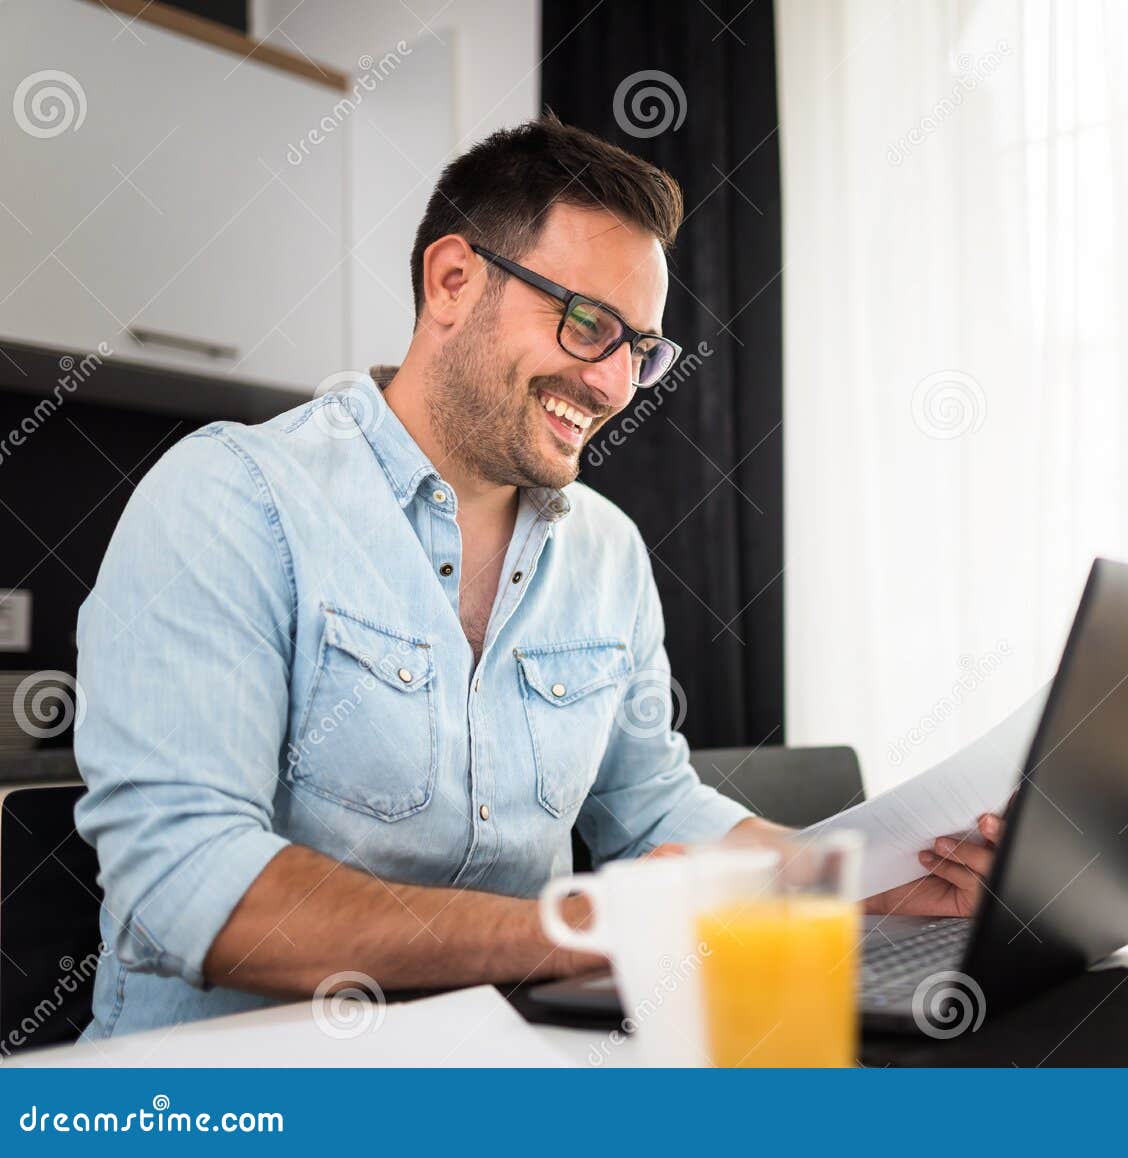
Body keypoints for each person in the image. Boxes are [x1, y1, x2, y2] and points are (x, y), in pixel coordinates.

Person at [73, 116, 1001, 1038]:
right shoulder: (234, 498)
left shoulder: (607, 552)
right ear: (451, 282)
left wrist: (863, 887)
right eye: (588, 322)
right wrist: (583, 931)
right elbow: (188, 882)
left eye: (640, 348)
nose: (612, 385)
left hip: (498, 1061)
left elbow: (651, 807)